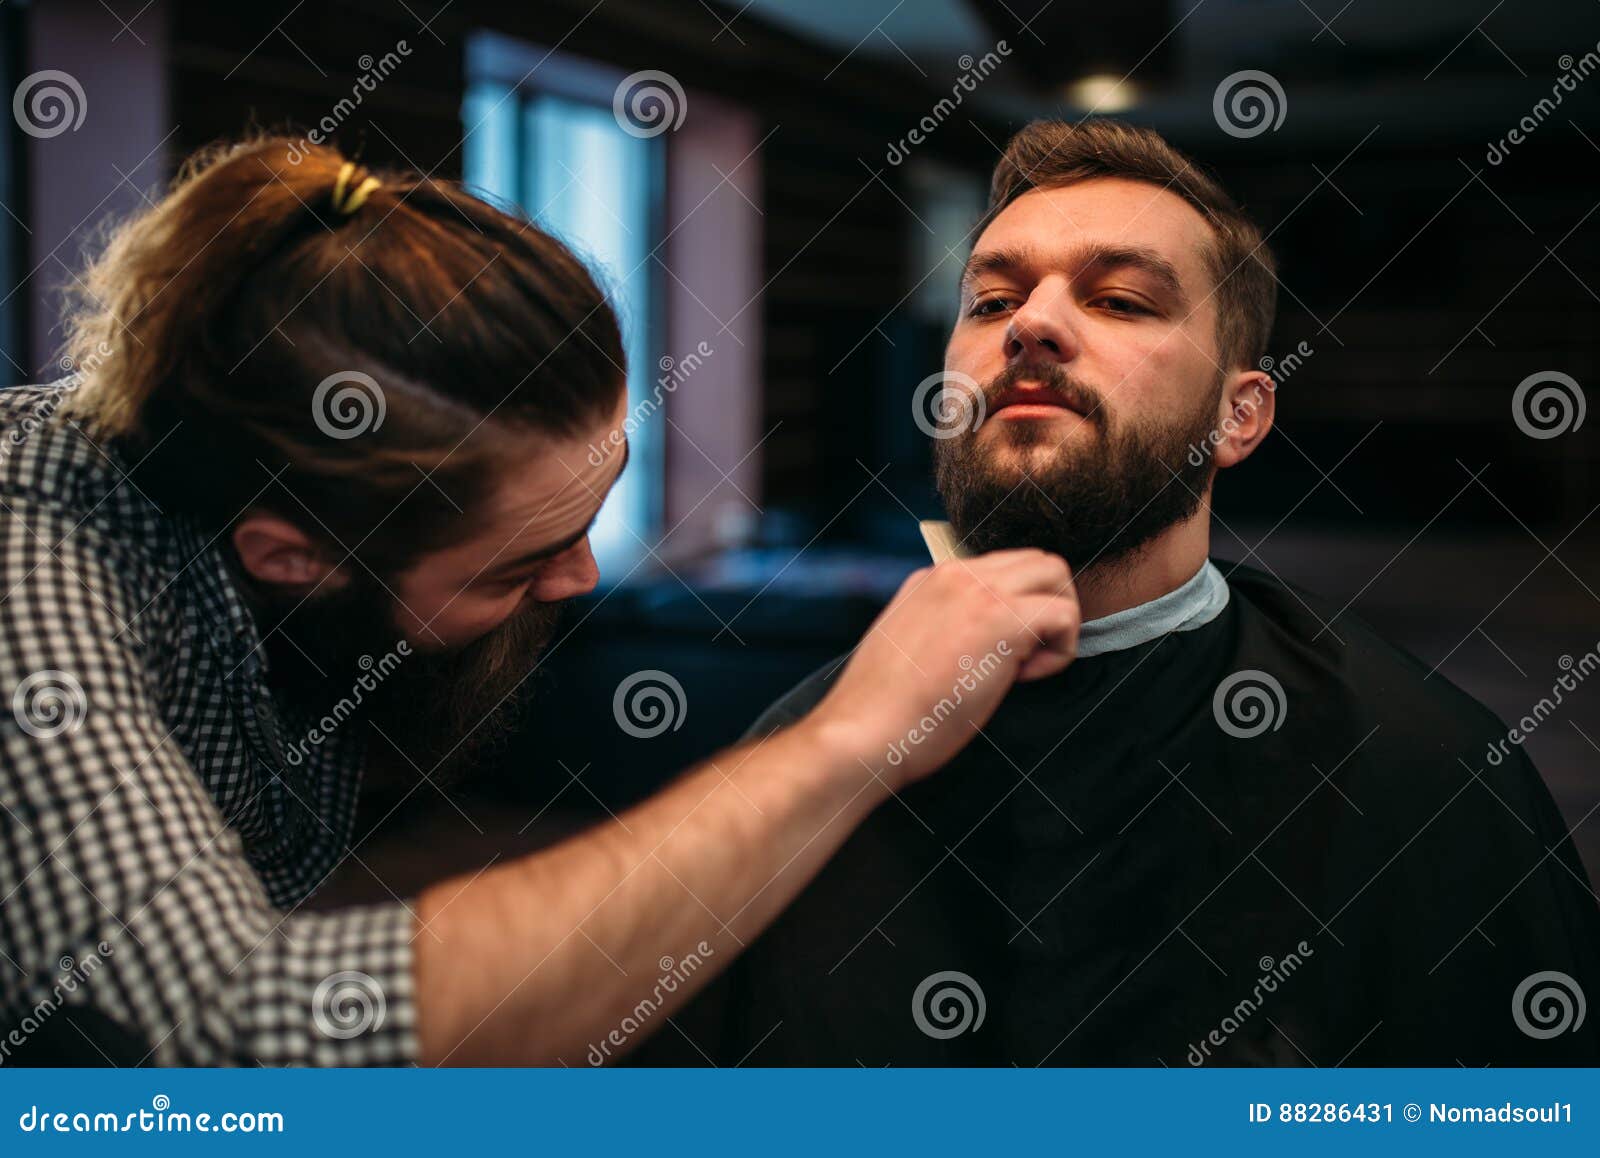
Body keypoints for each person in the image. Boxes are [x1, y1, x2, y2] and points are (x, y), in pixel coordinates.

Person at [0, 136, 1082, 1066]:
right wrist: (854, 736)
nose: (577, 583)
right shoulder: (28, 572)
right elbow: (204, 1045)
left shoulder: (239, 492)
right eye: (516, 565)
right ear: (290, 555)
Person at [631, 118, 1600, 1067]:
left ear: (1239, 413)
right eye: (990, 300)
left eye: (1123, 301)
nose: (1031, 326)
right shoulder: (798, 752)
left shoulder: (1429, 776)